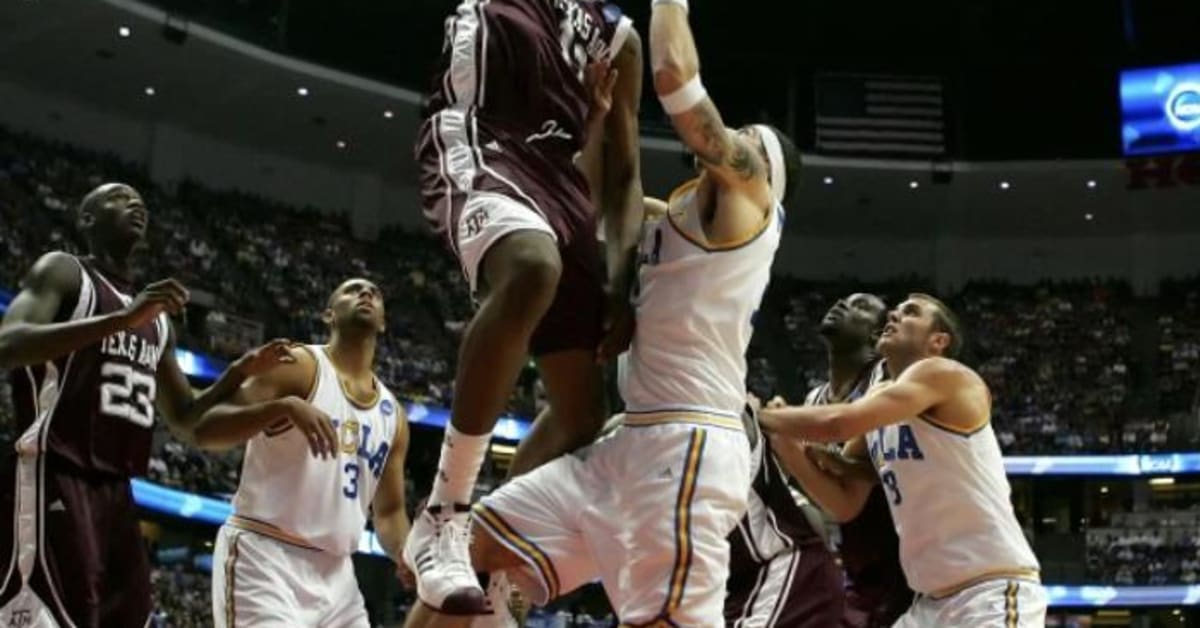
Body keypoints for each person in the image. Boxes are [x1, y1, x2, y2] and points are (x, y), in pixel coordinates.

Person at [407, 0, 803, 623]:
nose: (730, 142)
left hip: (688, 446)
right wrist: (591, 118)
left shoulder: (751, 207)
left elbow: (676, 81)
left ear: (763, 177)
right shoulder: (670, 218)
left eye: (746, 143)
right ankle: (444, 523)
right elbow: (582, 203)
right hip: (624, 443)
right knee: (477, 555)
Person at [407, 0, 645, 612]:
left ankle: (486, 541)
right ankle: (447, 510)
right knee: (534, 268)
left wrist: (619, 277)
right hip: (486, 137)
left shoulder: (619, 36)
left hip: (562, 181)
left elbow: (622, 177)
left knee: (582, 412)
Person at [0, 182, 290, 628]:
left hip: (116, 487)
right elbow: (8, 344)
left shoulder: (156, 321)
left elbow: (186, 419)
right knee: (52, 614)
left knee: (127, 615)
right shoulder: (63, 271)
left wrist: (238, 373)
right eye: (118, 198)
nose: (135, 205)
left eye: (140, 202)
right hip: (54, 468)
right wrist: (120, 320)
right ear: (87, 219)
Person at [760, 294, 1048, 627]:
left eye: (910, 313)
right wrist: (788, 447)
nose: (895, 314)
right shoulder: (879, 397)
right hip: (930, 603)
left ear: (938, 341)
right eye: (895, 310)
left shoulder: (944, 374)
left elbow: (837, 423)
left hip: (990, 590)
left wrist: (762, 416)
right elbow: (844, 503)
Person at [201, 278, 411, 627]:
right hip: (265, 556)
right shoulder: (299, 365)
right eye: (351, 289)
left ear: (383, 322)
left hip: (338, 574)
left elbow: (389, 513)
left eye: (375, 292)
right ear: (329, 315)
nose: (366, 294)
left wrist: (408, 554)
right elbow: (210, 427)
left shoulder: (394, 416)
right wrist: (280, 409)